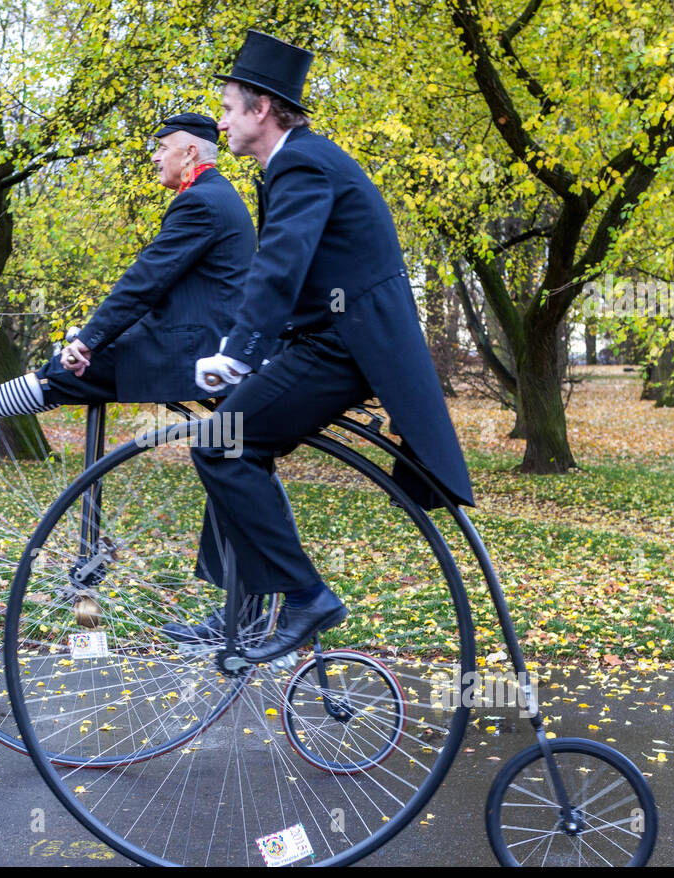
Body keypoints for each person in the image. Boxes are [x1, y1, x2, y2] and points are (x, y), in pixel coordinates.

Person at [183, 30, 476, 662]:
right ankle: (247, 600)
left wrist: (237, 351)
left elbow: (282, 267)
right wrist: (251, 357)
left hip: (345, 349)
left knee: (220, 444)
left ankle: (304, 596)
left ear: (262, 108)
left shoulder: (302, 163)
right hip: (324, 340)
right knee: (233, 438)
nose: (223, 122)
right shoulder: (296, 163)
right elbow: (303, 278)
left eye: (230, 108)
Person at [0, 112, 255, 438]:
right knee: (227, 459)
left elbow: (144, 282)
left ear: (191, 152)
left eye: (163, 148)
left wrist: (88, 340)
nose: (155, 157)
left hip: (189, 352)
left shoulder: (201, 203)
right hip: (206, 344)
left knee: (69, 368)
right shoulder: (218, 196)